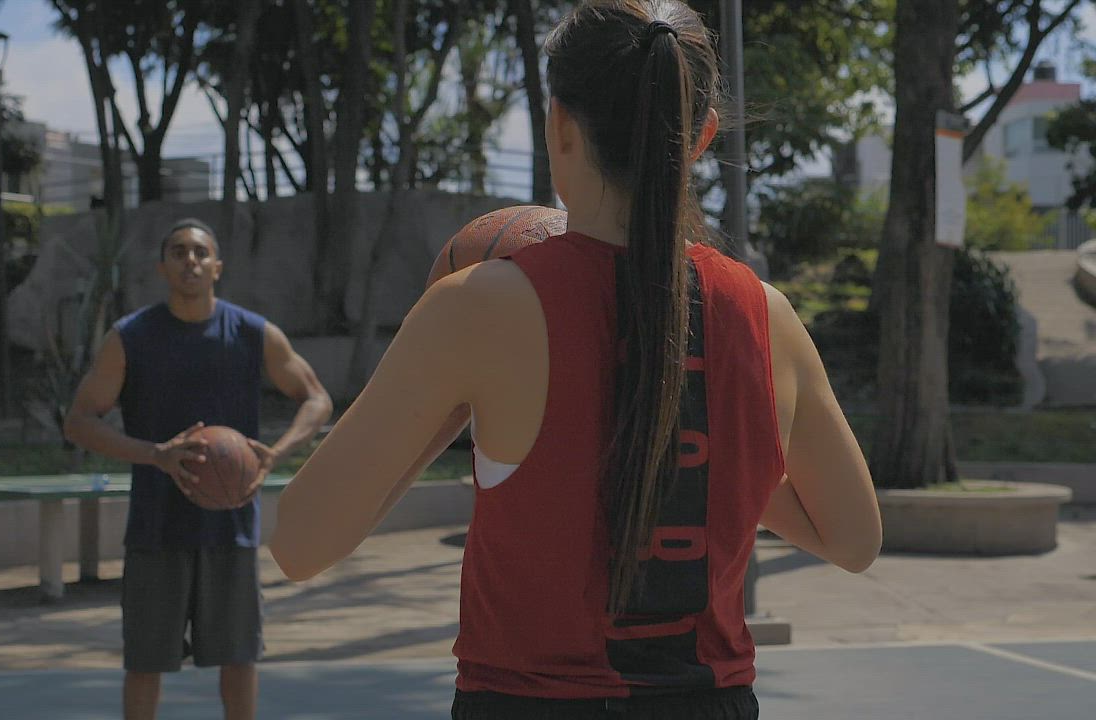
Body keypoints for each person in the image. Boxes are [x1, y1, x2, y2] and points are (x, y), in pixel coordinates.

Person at [270, 1, 881, 718]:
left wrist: (446, 404)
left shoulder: (478, 306)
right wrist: (718, 453)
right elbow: (854, 541)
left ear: (559, 124)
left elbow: (299, 544)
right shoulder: (766, 313)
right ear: (702, 137)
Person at [64, 218, 332, 720]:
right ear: (162, 267)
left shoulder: (252, 333)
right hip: (155, 529)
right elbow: (78, 421)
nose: (190, 259)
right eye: (179, 251)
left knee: (239, 659)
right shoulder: (130, 337)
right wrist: (155, 455)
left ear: (217, 267)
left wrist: (276, 453)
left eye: (200, 252)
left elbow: (317, 398)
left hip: (230, 529)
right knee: (145, 663)